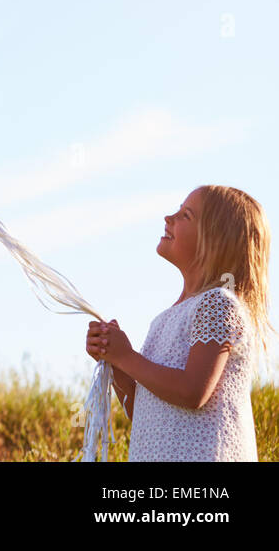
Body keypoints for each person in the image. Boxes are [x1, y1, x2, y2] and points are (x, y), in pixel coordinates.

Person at [86, 185, 272, 460]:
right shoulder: (163, 320)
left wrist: (126, 356)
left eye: (185, 215)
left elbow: (192, 391)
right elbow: (144, 409)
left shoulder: (218, 303)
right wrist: (116, 364)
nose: (168, 218)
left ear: (216, 240)